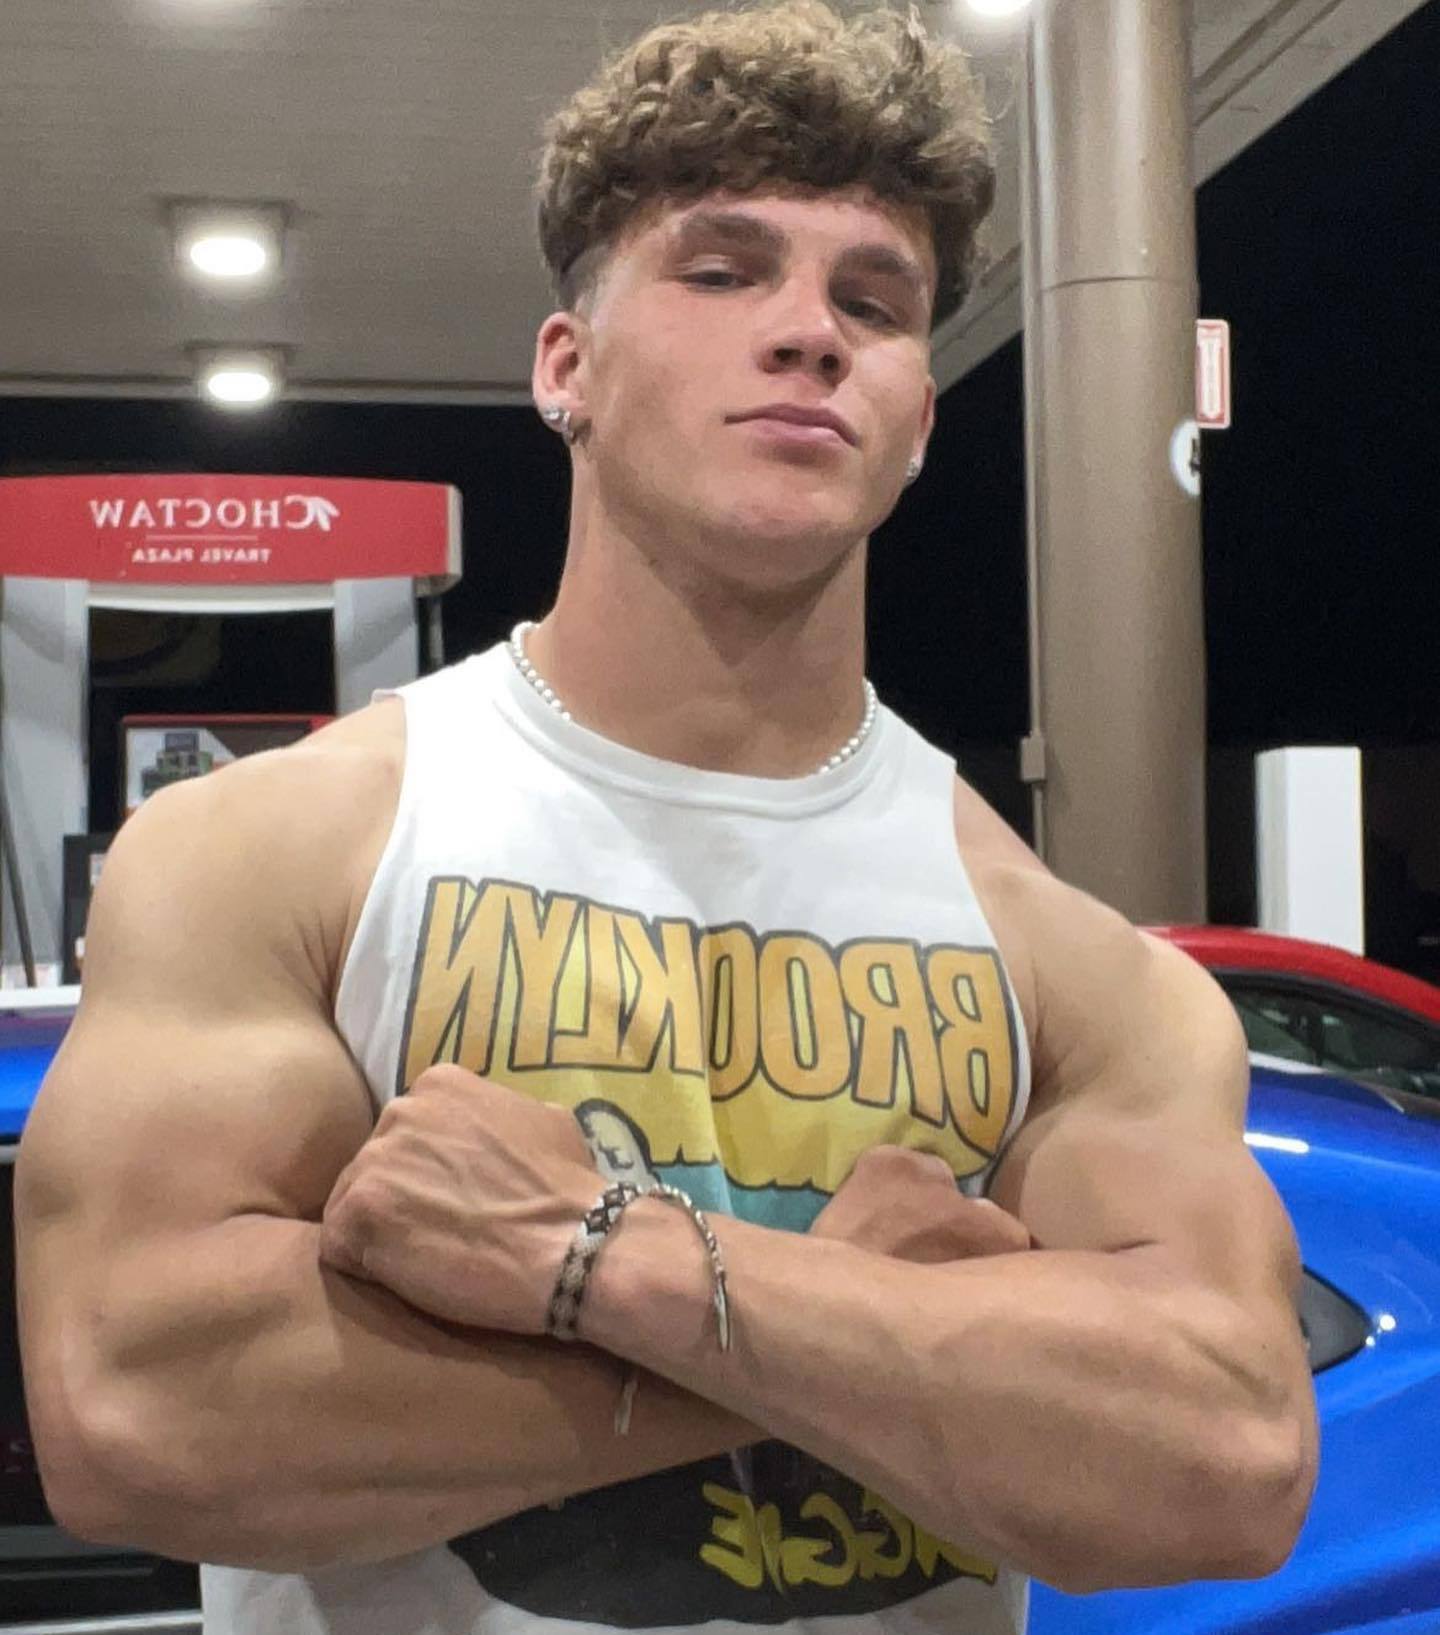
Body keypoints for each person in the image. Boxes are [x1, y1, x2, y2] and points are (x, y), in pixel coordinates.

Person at [15, 4, 1317, 1634]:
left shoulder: (1068, 959)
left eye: (874, 302)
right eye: (721, 272)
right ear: (566, 366)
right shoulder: (271, 854)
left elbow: (1226, 1457)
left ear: (919, 416)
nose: (811, 331)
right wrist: (873, 1327)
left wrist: (598, 1256)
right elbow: (139, 1408)